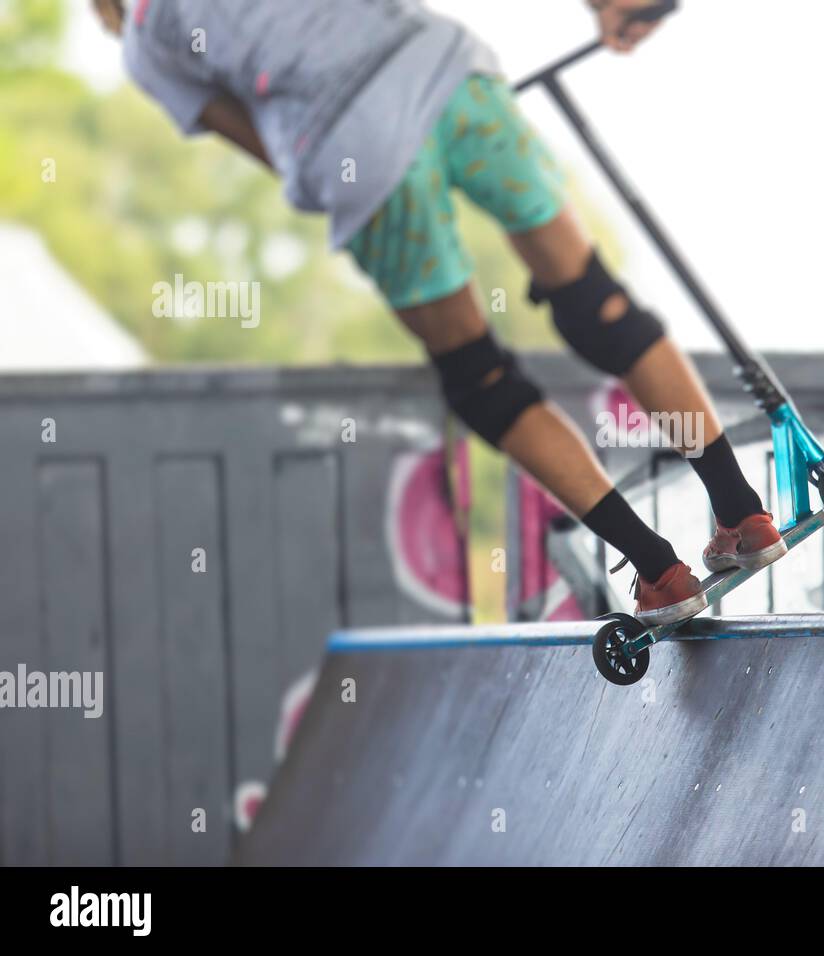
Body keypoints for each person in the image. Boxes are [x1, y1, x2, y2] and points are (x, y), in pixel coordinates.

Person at [94, 0, 785, 624]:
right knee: (599, 306)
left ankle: (659, 571)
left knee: (481, 379)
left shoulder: (146, 42)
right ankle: (742, 512)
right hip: (450, 75)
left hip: (354, 151)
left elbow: (255, 140)